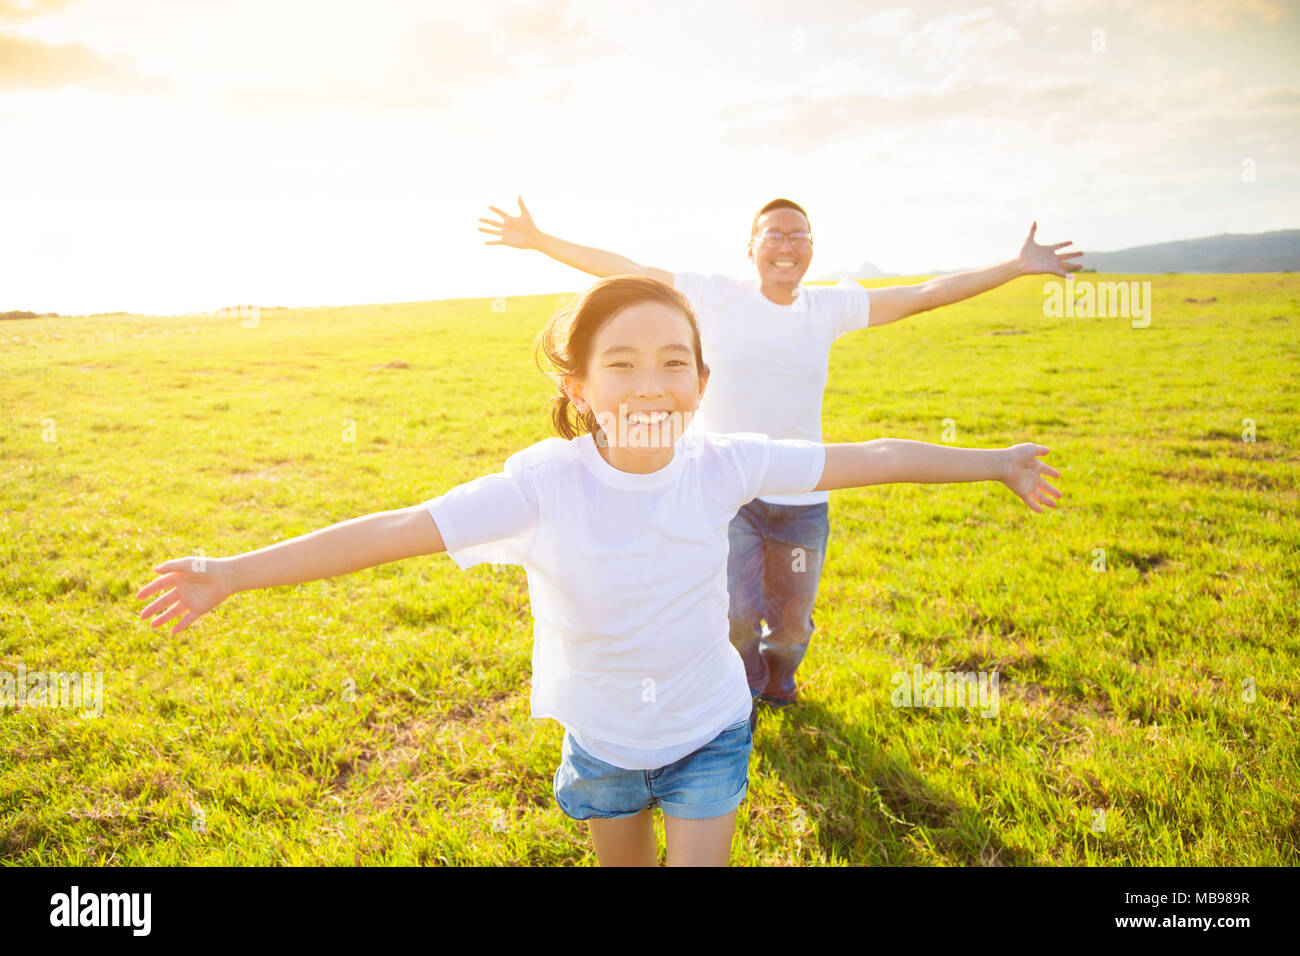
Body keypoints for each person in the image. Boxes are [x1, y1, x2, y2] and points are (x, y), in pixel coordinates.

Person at [135, 275, 1061, 866]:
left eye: (674, 362)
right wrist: (233, 573)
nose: (652, 383)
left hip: (709, 727)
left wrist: (997, 460)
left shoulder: (726, 462)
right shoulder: (541, 488)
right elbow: (397, 528)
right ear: (578, 387)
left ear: (703, 381)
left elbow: (877, 456)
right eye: (621, 363)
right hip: (602, 742)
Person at [479, 196, 1081, 721]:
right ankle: (740, 693)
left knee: (792, 625)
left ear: (812, 250)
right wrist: (538, 241)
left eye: (799, 235)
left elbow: (924, 295)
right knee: (737, 618)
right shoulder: (712, 296)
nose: (787, 244)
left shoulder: (828, 309)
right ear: (751, 247)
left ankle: (779, 686)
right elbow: (628, 271)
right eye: (775, 233)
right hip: (726, 491)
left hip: (802, 495)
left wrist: (1017, 265)